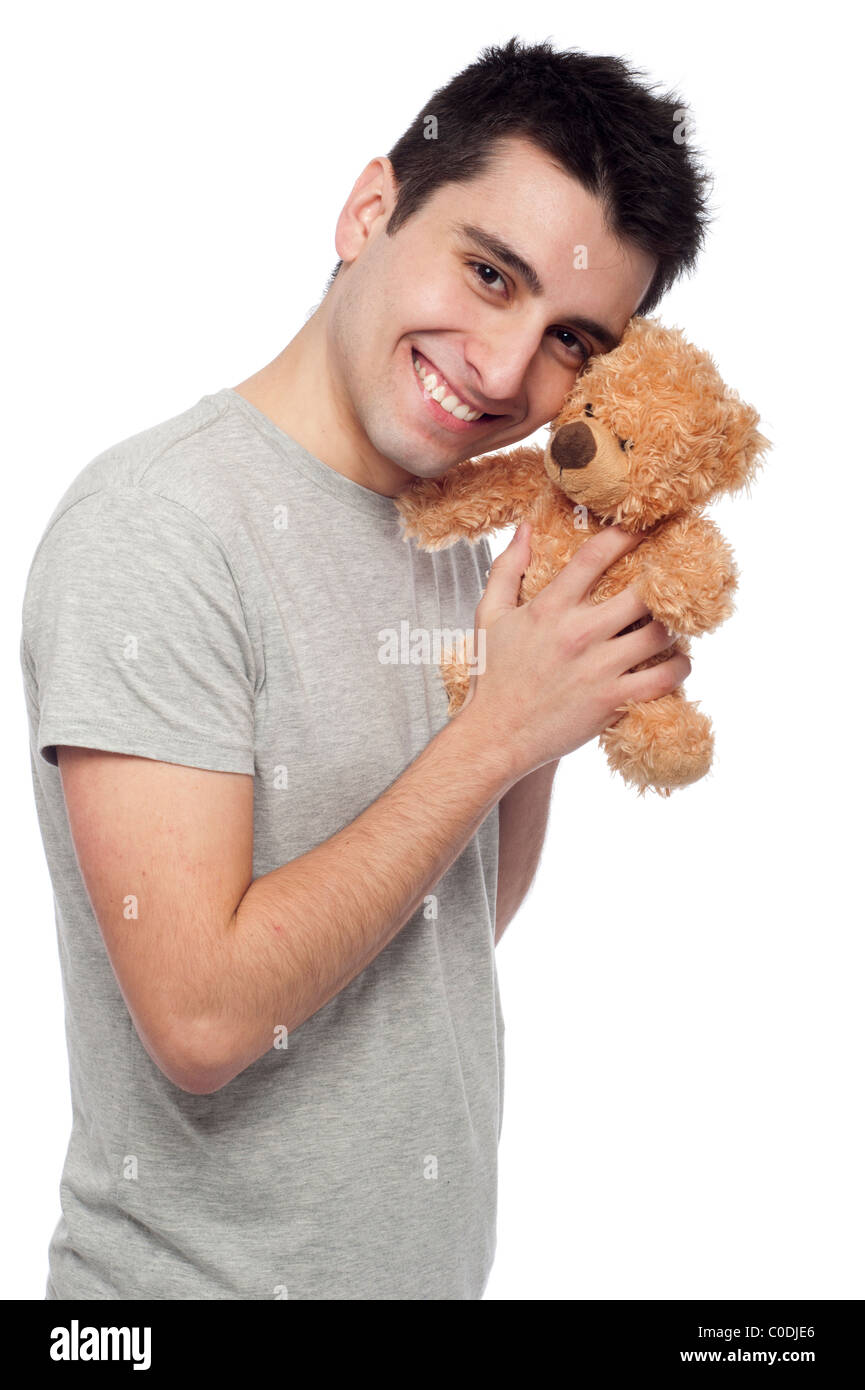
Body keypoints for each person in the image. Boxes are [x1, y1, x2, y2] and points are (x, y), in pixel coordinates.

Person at [19, 36, 710, 1300]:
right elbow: (206, 1021)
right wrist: (498, 730)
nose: (503, 371)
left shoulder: (448, 530)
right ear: (370, 209)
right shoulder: (154, 529)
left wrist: (548, 687)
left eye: (569, 339)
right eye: (487, 273)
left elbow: (450, 925)